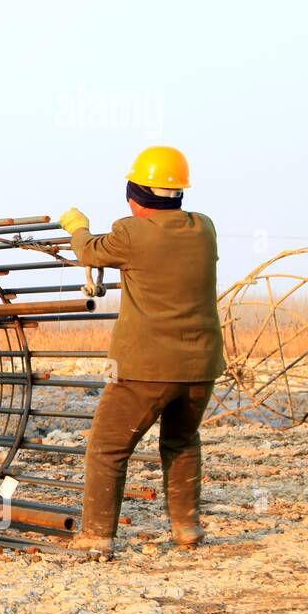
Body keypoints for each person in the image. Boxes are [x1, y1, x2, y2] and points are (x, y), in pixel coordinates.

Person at [59, 145, 224, 556]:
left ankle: (96, 536)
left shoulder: (130, 233)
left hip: (145, 369)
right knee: (182, 442)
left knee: (107, 448)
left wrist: (77, 227)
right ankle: (187, 529)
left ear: (135, 196)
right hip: (201, 366)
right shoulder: (204, 228)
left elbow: (88, 251)